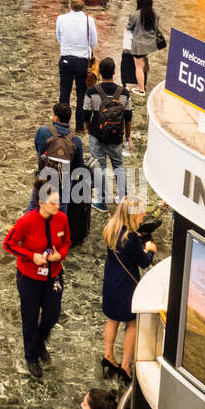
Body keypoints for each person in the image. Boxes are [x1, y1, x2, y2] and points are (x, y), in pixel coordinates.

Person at [3, 188, 71, 378]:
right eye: (53, 203)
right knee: (30, 318)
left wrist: (61, 255)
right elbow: (9, 243)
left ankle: (39, 342)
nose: (57, 206)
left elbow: (67, 241)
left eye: (58, 202)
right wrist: (31, 256)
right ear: (41, 203)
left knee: (52, 314)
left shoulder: (62, 219)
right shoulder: (27, 221)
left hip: (53, 275)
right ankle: (31, 356)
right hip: (29, 279)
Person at [101, 194, 157, 382]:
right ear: (133, 215)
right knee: (131, 324)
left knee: (112, 319)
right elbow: (143, 262)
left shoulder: (110, 228)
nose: (143, 214)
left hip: (111, 281)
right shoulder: (131, 238)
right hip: (126, 285)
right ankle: (125, 366)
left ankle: (108, 355)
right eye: (141, 212)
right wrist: (150, 249)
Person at [32, 102, 90, 252]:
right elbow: (79, 166)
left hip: (44, 176)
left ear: (55, 117)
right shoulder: (75, 140)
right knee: (60, 213)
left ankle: (32, 236)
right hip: (64, 181)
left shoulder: (43, 131)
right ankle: (56, 243)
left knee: (35, 206)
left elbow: (38, 149)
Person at [82, 58, 132, 211]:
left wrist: (90, 132)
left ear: (100, 73)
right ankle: (123, 198)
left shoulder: (91, 92)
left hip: (97, 136)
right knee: (118, 166)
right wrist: (127, 136)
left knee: (100, 168)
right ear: (114, 72)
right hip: (117, 136)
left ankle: (102, 202)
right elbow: (128, 117)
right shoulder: (124, 93)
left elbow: (85, 115)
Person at [55, 0, 97, 134]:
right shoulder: (88, 20)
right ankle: (80, 126)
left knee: (64, 92)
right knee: (81, 95)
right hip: (82, 61)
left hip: (66, 59)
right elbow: (93, 42)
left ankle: (62, 124)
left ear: (70, 5)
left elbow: (59, 38)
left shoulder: (61, 19)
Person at [124, 0, 160, 96]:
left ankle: (141, 89)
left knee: (138, 66)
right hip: (150, 44)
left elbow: (129, 27)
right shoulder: (155, 14)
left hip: (139, 45)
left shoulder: (135, 14)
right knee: (142, 63)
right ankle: (143, 80)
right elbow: (156, 28)